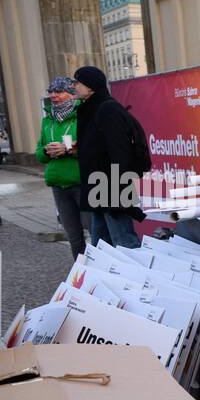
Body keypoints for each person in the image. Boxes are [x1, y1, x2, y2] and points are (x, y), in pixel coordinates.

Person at [73, 64, 144, 249]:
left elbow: (120, 152)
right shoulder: (91, 108)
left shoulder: (107, 109)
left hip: (111, 187)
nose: (75, 86)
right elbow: (99, 145)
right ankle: (99, 277)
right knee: (100, 246)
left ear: (91, 86)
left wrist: (116, 191)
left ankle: (137, 277)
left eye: (78, 82)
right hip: (98, 187)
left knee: (125, 243)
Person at [35, 77, 87, 258]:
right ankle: (79, 273)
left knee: (94, 232)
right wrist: (47, 151)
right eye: (51, 91)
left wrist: (68, 149)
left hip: (81, 182)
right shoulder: (48, 120)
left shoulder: (83, 115)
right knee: (74, 237)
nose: (53, 95)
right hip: (58, 184)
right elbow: (39, 154)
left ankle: (98, 271)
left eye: (59, 91)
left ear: (71, 94)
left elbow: (93, 147)